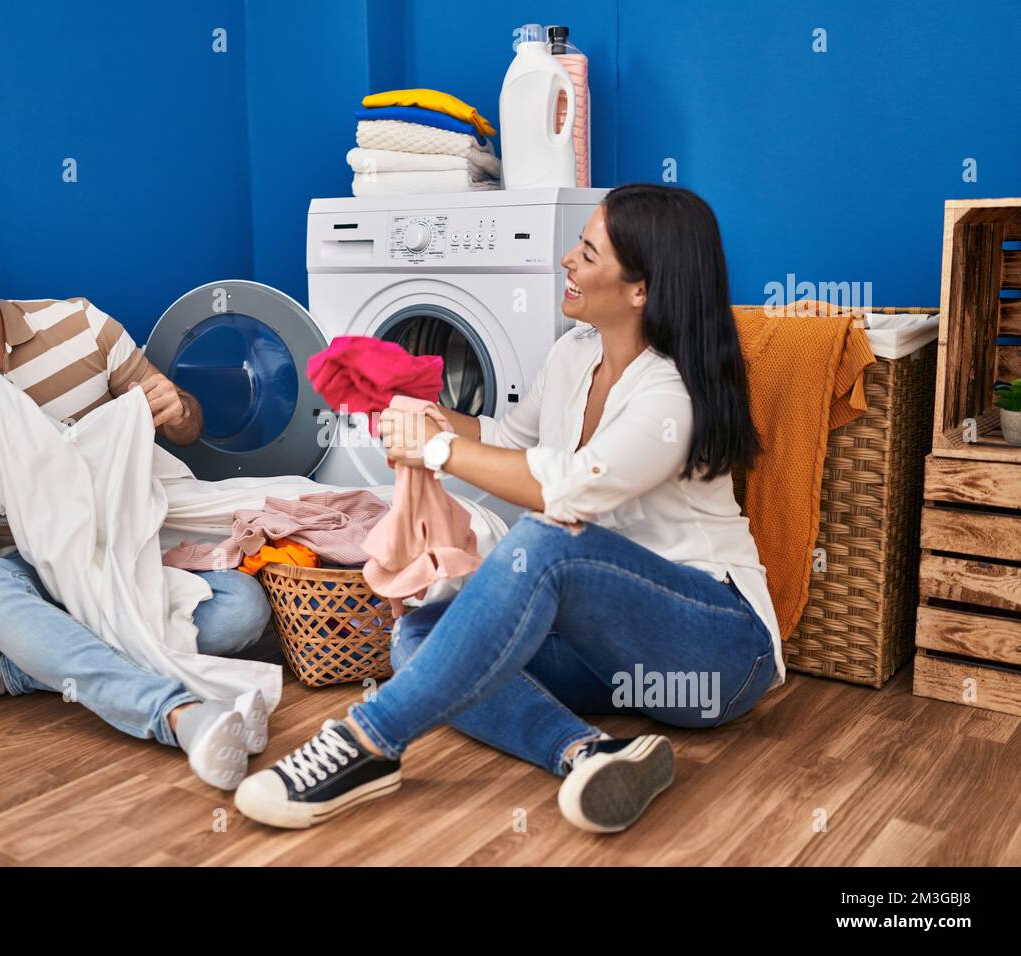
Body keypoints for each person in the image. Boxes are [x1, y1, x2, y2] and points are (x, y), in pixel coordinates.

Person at [234, 183, 784, 832]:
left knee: (548, 539)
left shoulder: (671, 393)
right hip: (613, 658)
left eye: (588, 253)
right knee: (418, 637)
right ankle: (587, 754)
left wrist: (436, 449)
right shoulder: (574, 353)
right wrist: (416, 410)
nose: (567, 260)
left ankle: (364, 744)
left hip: (715, 650)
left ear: (641, 288)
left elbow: (568, 490)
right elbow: (508, 441)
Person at [0, 188, 271, 790]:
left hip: (134, 551)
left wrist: (178, 407)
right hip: (32, 576)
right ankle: (176, 715)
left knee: (242, 609)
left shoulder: (80, 325)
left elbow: (187, 428)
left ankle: (8, 670)